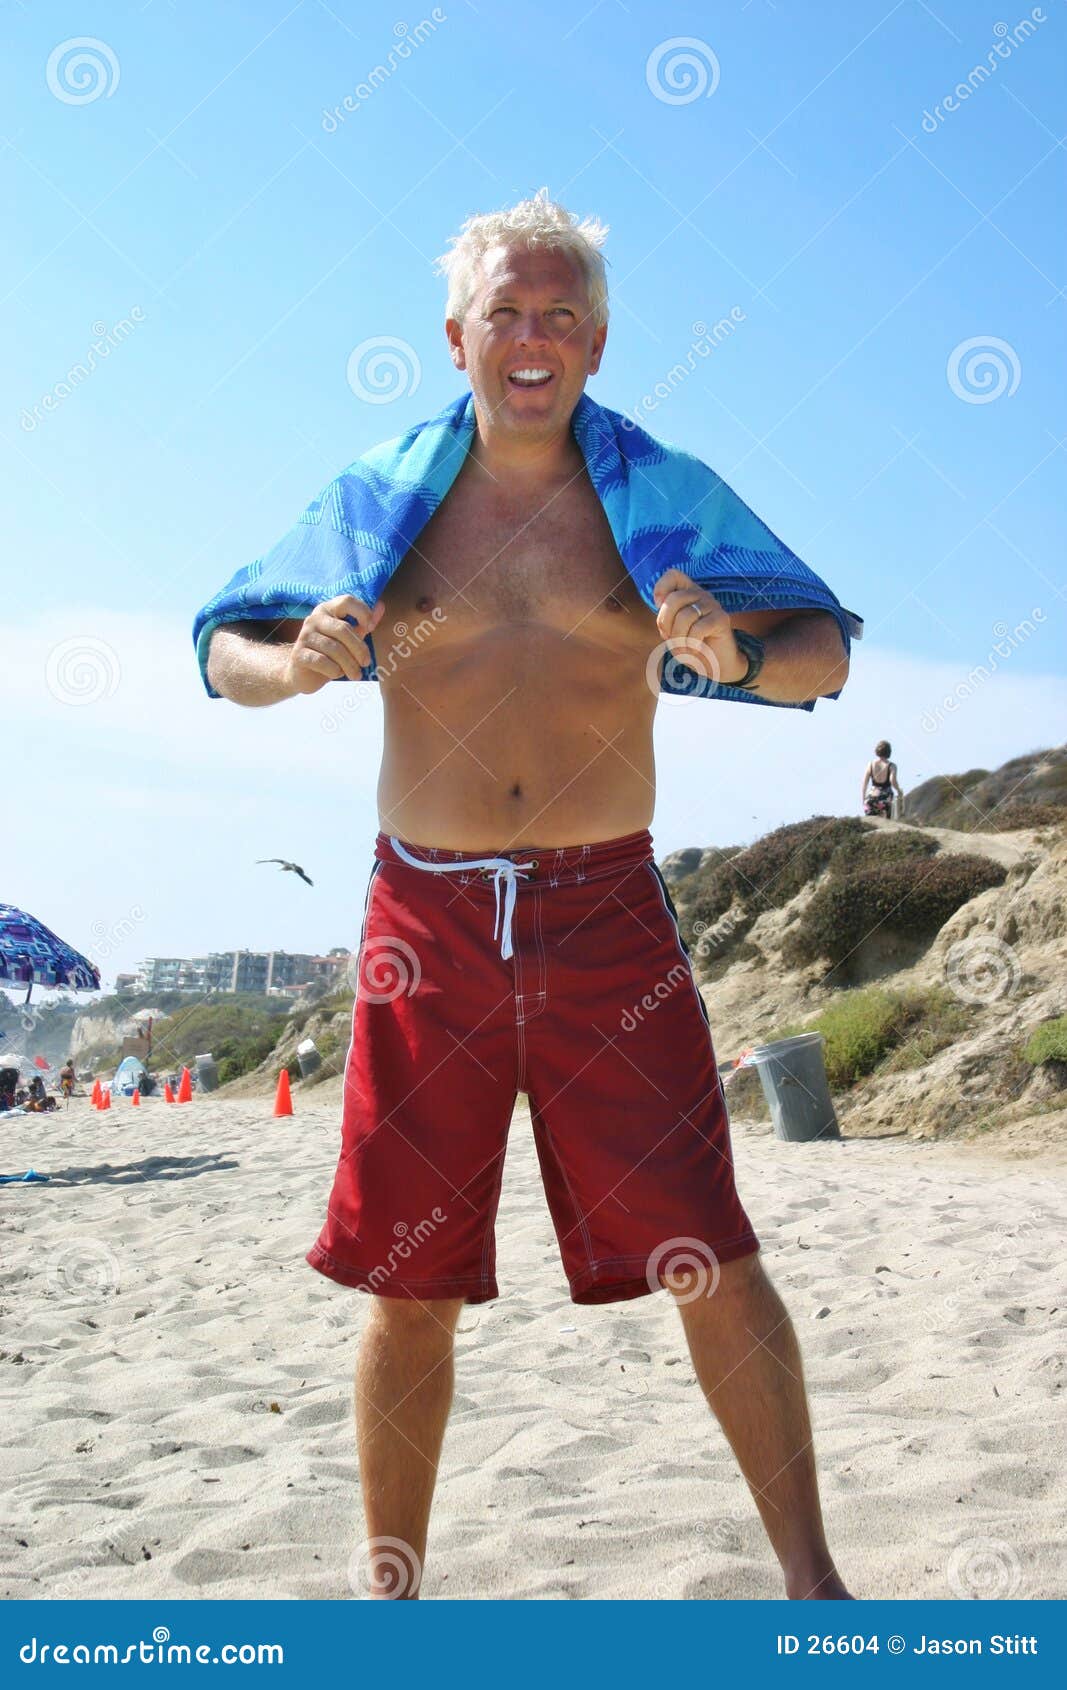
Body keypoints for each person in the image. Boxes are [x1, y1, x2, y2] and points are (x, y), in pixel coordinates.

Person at [201, 192, 853, 1601]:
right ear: (456, 336)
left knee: (707, 1255)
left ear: (599, 341)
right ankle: (392, 1604)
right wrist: (296, 663)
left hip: (603, 910)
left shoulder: (655, 495)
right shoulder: (382, 493)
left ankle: (814, 1588)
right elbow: (219, 650)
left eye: (559, 312)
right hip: (421, 923)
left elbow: (821, 656)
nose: (532, 335)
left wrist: (730, 655)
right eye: (506, 310)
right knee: (409, 1281)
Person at [862, 739, 904, 819]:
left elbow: (864, 784)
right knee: (887, 820)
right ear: (889, 752)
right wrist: (898, 790)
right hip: (885, 799)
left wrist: (864, 799)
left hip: (871, 798)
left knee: (870, 821)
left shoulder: (870, 764)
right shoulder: (892, 766)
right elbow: (892, 781)